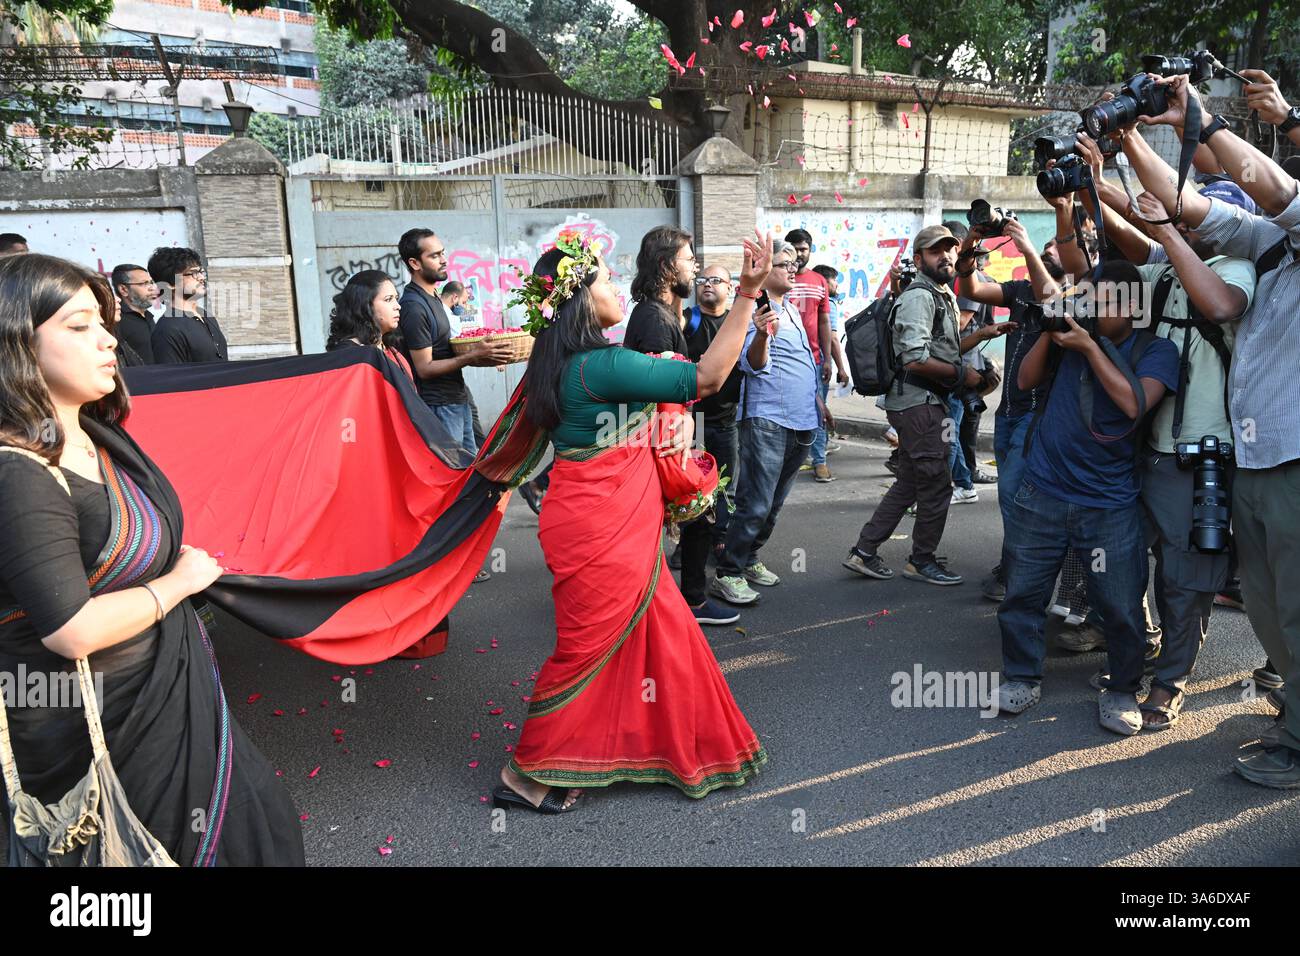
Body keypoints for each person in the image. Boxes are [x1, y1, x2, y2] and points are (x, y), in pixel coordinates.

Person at [0, 253, 304, 864]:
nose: (109, 339)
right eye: (80, 326)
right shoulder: (18, 472)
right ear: (17, 345)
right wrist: (181, 581)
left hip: (164, 694)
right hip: (95, 725)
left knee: (253, 825)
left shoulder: (93, 434)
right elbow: (71, 630)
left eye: (103, 322)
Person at [492, 231, 772, 813]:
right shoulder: (603, 366)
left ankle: (641, 747)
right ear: (581, 300)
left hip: (590, 515)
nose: (616, 286)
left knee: (660, 629)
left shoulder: (559, 367)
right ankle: (527, 775)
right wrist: (746, 294)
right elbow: (707, 379)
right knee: (587, 647)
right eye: (604, 280)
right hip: (602, 527)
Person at [1127, 74, 1300, 783]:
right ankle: (1290, 714)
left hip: (1294, 458)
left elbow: (1269, 184)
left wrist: (1209, 119)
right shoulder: (1272, 246)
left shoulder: (1286, 218)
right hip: (1257, 457)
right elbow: (1190, 206)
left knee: (1296, 608)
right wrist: (1138, 137)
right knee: (1265, 606)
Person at [1057, 130, 1257, 729]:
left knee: (1186, 578)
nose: (1188, 218)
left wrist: (1161, 230)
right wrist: (1086, 192)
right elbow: (1098, 275)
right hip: (1143, 447)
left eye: (1200, 212)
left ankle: (1170, 682)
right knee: (1122, 563)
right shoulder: (1167, 270)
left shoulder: (1241, 268)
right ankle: (1137, 650)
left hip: (1199, 457)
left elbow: (1219, 306)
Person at [995, 261, 1180, 733]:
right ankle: (1021, 676)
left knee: (1119, 604)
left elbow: (1135, 404)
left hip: (1109, 501)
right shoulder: (1072, 335)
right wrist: (1050, 327)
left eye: (1105, 300)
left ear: (1134, 307)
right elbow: (1023, 382)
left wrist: (1090, 348)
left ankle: (1120, 688)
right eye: (1090, 297)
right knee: (1023, 593)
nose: (1094, 307)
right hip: (1044, 489)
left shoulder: (1157, 350)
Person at [842, 225, 996, 586]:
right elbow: (914, 359)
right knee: (937, 484)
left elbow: (941, 347)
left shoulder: (942, 293)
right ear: (919, 259)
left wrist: (983, 335)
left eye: (950, 250)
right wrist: (965, 376)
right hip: (919, 403)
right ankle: (921, 560)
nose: (945, 256)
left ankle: (864, 551)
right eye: (935, 251)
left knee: (910, 481)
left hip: (924, 401)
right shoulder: (919, 297)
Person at [711, 240, 829, 607]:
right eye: (783, 263)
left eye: (794, 263)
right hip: (767, 420)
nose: (792, 268)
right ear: (763, 271)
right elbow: (752, 364)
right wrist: (761, 334)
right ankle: (728, 572)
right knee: (755, 502)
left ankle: (748, 557)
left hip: (802, 420)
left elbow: (800, 363)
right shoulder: (752, 311)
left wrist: (818, 402)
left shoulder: (790, 310)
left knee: (774, 504)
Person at [956, 218, 1064, 603]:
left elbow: (1050, 296)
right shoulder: (1019, 291)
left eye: (1052, 248)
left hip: (1039, 414)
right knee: (1009, 493)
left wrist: (1026, 246)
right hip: (1008, 412)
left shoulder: (1068, 296)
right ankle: (1014, 566)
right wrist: (973, 239)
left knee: (1016, 495)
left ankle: (1017, 575)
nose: (1048, 250)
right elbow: (969, 287)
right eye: (1045, 248)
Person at [396, 228, 510, 458]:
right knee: (450, 477)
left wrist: (483, 354)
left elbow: (445, 348)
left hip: (457, 400)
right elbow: (425, 368)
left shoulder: (434, 296)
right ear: (415, 263)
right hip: (439, 407)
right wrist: (472, 356)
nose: (444, 260)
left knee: (467, 474)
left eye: (443, 253)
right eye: (435, 256)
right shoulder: (414, 306)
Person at [675, 264, 743, 625]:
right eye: (702, 280)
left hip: (726, 421)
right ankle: (688, 548)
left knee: (722, 490)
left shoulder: (737, 322)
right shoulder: (688, 321)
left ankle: (712, 543)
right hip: (693, 424)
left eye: (716, 280)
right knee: (689, 493)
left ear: (730, 287)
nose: (707, 286)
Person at [785, 229, 848, 481]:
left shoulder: (819, 282)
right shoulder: (779, 279)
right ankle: (786, 461)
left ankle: (819, 461)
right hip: (785, 360)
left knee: (817, 411)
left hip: (814, 359)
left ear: (810, 250)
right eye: (795, 248)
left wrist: (827, 359)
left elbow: (824, 323)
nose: (799, 254)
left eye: (804, 249)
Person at [325, 269, 413, 379]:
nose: (398, 306)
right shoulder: (348, 355)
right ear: (364, 306)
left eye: (396, 298)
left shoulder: (390, 347)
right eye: (388, 299)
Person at [622, 225, 695, 356]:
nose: (694, 268)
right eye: (690, 260)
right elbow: (663, 375)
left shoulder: (659, 311)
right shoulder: (657, 320)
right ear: (665, 266)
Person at [148, 247, 228, 364]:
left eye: (200, 272)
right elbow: (172, 378)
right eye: (193, 273)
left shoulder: (205, 315)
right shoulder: (167, 330)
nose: (201, 278)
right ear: (170, 284)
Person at [109, 263, 158, 365]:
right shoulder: (117, 321)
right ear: (123, 289)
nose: (152, 288)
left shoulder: (148, 316)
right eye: (144, 283)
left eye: (151, 282)